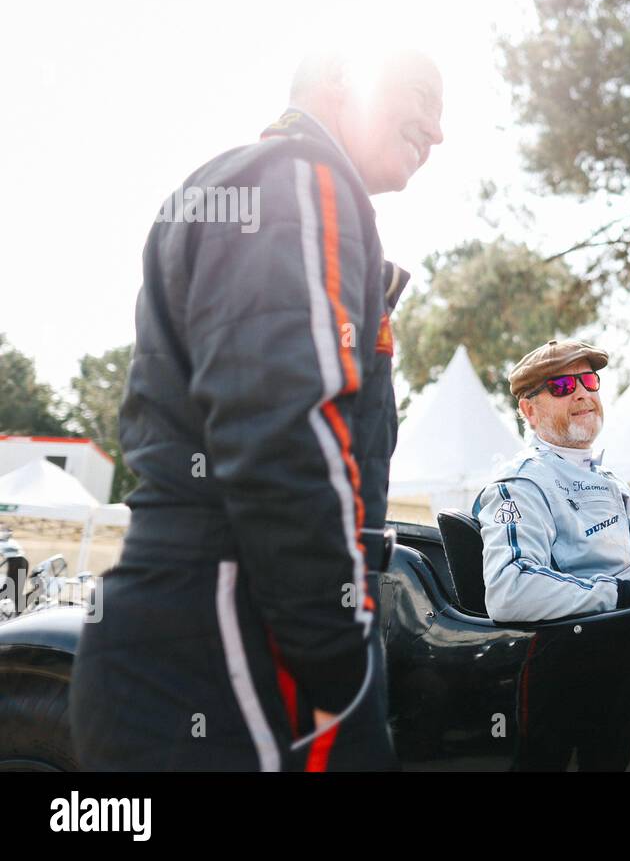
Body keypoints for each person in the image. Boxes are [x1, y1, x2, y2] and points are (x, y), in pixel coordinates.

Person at [70, 49, 443, 771]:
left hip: (206, 631)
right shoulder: (297, 181)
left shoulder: (266, 186)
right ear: (344, 77)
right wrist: (338, 668)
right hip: (235, 641)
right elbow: (282, 438)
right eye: (424, 95)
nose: (439, 129)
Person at [474, 339, 630, 623]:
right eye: (562, 386)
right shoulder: (521, 483)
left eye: (588, 380)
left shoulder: (604, 477)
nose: (583, 393)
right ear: (529, 411)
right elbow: (510, 589)